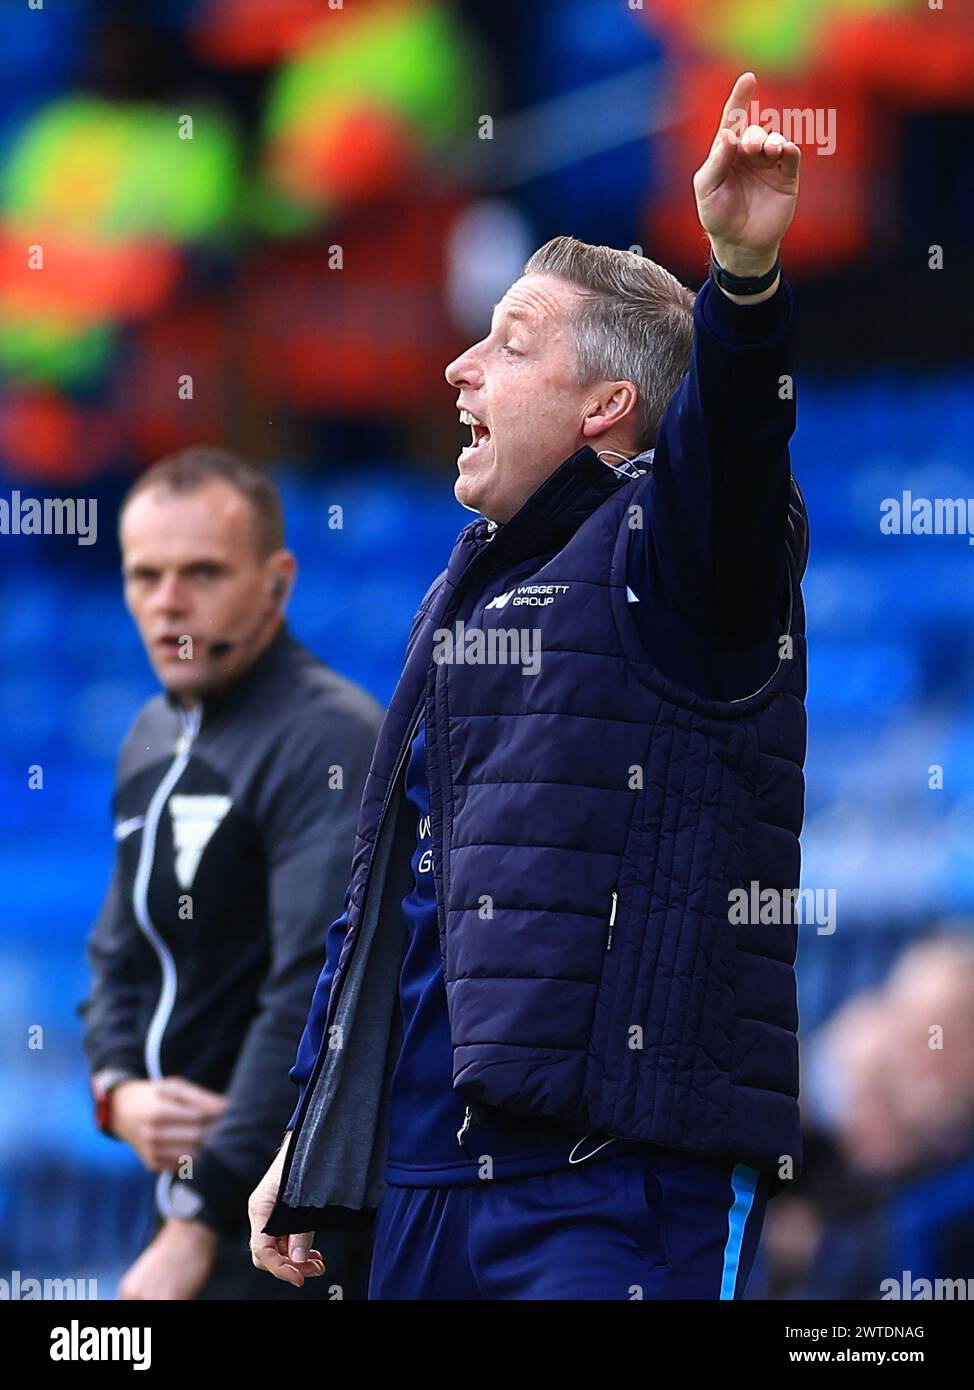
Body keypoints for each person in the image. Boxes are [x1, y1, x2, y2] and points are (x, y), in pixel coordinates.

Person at [250, 70, 808, 1300]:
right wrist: (312, 1129)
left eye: (507, 343)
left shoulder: (679, 560)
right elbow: (385, 901)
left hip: (611, 1185)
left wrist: (741, 277)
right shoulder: (462, 592)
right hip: (424, 1189)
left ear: (607, 405)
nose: (456, 366)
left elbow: (728, 444)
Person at [79, 447, 383, 1299]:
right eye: (145, 575)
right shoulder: (149, 733)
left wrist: (195, 1222)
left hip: (285, 1221)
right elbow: (113, 956)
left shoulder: (328, 738)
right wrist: (117, 1094)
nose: (167, 602)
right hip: (188, 1190)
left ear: (276, 582)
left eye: (202, 573)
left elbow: (310, 990)